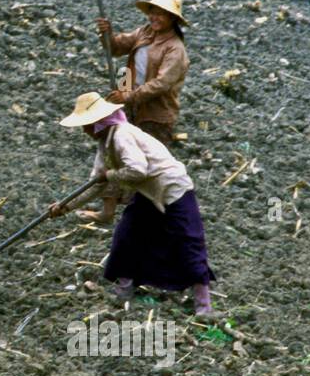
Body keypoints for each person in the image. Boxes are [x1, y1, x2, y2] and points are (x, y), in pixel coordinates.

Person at [49, 92, 216, 316]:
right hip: (149, 193)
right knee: (127, 235)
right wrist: (65, 206)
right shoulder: (105, 143)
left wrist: (109, 175)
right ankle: (123, 289)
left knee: (188, 241)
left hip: (173, 189)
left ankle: (204, 308)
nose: (84, 131)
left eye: (86, 125)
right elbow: (95, 184)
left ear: (98, 123)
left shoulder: (121, 135)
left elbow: (138, 170)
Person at [81, 0, 191, 223]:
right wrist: (106, 34)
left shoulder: (175, 49)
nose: (155, 17)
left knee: (143, 166)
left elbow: (162, 84)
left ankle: (140, 217)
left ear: (172, 19)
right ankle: (108, 211)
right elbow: (116, 47)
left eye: (161, 14)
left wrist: (128, 96)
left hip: (155, 114)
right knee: (114, 156)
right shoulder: (145, 33)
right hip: (130, 106)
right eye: (153, 12)